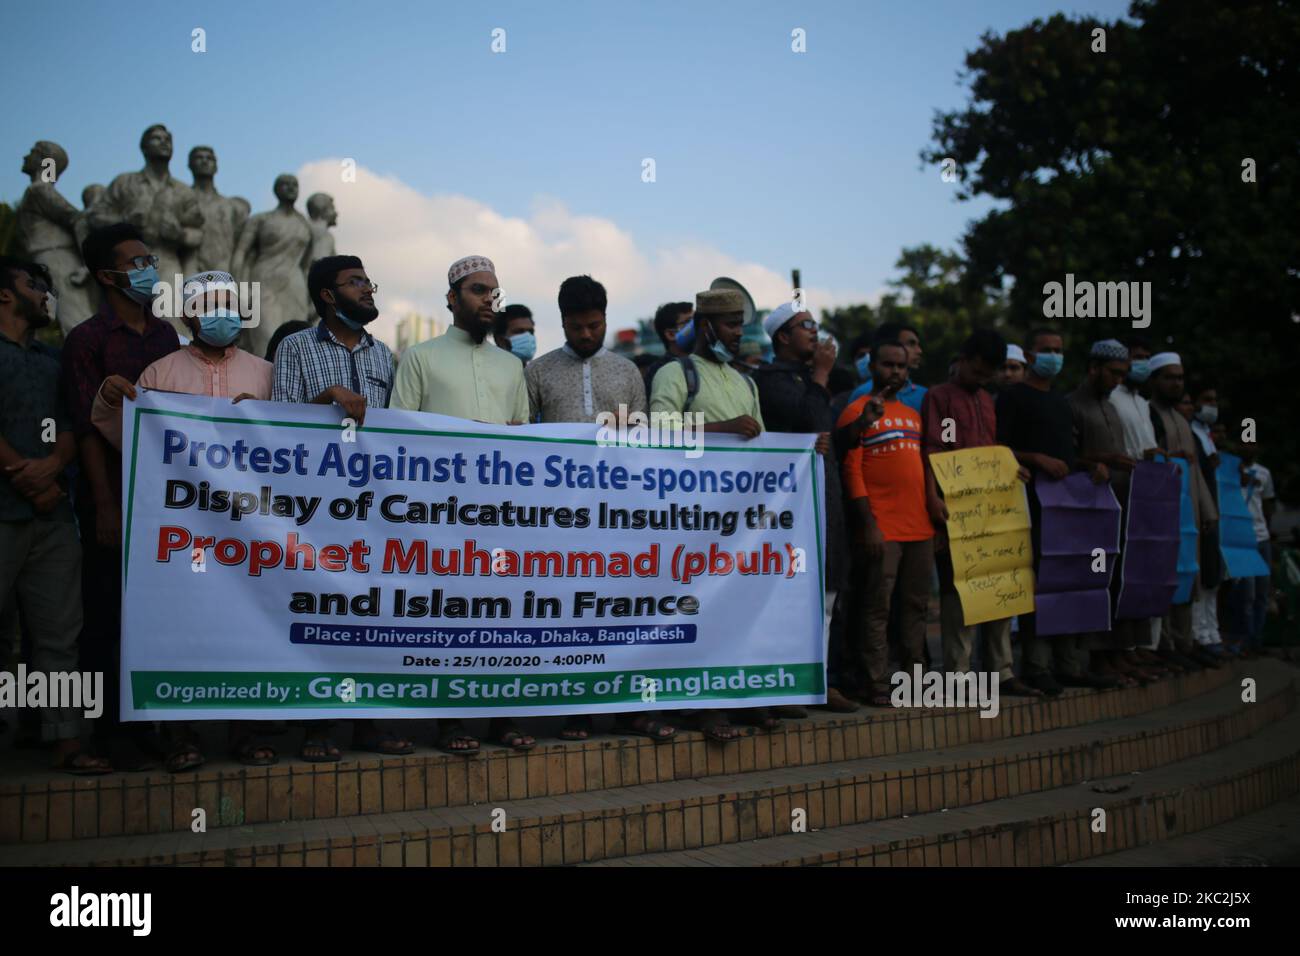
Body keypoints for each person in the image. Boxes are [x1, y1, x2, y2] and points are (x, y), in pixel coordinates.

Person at [91, 271, 278, 769]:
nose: (225, 314)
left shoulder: (267, 374)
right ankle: (181, 734)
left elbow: (294, 453)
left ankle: (248, 730)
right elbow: (127, 437)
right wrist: (110, 399)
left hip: (252, 529)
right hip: (184, 532)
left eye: (232, 303)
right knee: (180, 623)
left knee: (252, 623)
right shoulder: (159, 374)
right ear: (188, 315)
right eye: (211, 304)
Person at [524, 275, 675, 744]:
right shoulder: (538, 371)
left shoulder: (628, 372)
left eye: (593, 325)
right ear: (561, 322)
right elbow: (523, 446)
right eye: (575, 327)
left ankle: (630, 711)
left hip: (620, 518)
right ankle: (577, 712)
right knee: (572, 612)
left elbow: (645, 445)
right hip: (561, 522)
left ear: (606, 319)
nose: (585, 335)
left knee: (622, 610)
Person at [272, 254, 411, 762]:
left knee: (371, 607)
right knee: (318, 605)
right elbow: (275, 429)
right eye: (356, 283)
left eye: (368, 280)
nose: (369, 289)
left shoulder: (385, 355)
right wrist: (324, 400)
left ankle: (370, 722)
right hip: (315, 506)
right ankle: (318, 725)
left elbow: (398, 431)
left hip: (373, 507)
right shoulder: (295, 348)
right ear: (328, 296)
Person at [391, 255, 531, 754]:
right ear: (452, 299)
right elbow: (398, 439)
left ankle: (503, 719)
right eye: (477, 290)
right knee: (446, 615)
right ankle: (449, 721)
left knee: (503, 615)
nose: (488, 298)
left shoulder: (512, 365)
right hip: (438, 519)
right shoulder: (420, 357)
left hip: (502, 517)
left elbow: (521, 441)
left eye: (493, 290)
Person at [63, 223, 181, 769]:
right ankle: (106, 732)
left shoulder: (166, 337)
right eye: (136, 262)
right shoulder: (86, 339)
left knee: (152, 615)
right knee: (105, 616)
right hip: (110, 496)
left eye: (149, 259)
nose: (148, 269)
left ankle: (146, 727)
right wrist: (105, 504)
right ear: (106, 275)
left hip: (158, 499)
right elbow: (87, 428)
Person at [0, 256, 109, 773]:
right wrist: (22, 471)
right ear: (4, 295)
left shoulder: (50, 360)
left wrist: (50, 469)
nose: (45, 293)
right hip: (8, 509)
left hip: (51, 518)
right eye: (32, 285)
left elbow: (71, 426)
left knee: (59, 633)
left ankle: (66, 738)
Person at [649, 288, 766, 742]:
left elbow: (762, 449)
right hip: (685, 523)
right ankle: (699, 709)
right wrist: (721, 429)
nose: (740, 333)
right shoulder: (676, 374)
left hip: (735, 525)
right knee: (693, 609)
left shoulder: (746, 382)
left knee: (732, 607)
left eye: (742, 323)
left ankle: (734, 699)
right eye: (732, 324)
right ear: (706, 326)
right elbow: (656, 430)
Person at [996, 328, 1119, 694]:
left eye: (1059, 350)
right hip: (1030, 505)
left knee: (1070, 580)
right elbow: (998, 449)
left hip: (1068, 507)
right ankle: (1037, 666)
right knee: (1040, 584)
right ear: (1030, 356)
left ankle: (1069, 665)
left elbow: (1066, 457)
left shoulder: (1061, 403)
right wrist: (1036, 459)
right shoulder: (1012, 397)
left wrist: (1089, 466)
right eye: (1046, 350)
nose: (1054, 356)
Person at [922, 328, 1041, 697]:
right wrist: (933, 498)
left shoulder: (988, 400)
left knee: (1001, 583)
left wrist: (1011, 470)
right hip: (956, 509)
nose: (984, 378)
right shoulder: (940, 398)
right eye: (979, 371)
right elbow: (935, 450)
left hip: (992, 511)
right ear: (963, 360)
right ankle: (958, 674)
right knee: (960, 592)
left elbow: (991, 451)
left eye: (990, 373)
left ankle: (1001, 671)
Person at [752, 303, 858, 713]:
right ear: (782, 336)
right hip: (790, 509)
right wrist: (820, 377)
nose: (816, 332)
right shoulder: (771, 379)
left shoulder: (805, 378)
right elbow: (809, 421)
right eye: (806, 326)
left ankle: (819, 681)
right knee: (790, 596)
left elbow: (825, 435)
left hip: (823, 499)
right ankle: (788, 684)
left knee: (827, 598)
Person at [836, 340, 938, 706]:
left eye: (902, 367)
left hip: (919, 527)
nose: (895, 372)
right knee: (876, 606)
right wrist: (868, 525)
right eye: (888, 365)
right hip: (882, 527)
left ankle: (915, 678)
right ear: (872, 367)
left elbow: (923, 466)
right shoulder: (856, 411)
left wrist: (933, 503)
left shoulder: (913, 416)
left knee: (915, 607)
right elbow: (851, 471)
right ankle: (875, 681)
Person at [1067, 340, 1164, 687]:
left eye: (1123, 374)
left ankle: (1120, 652)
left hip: (1122, 505)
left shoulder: (1111, 406)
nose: (1118, 380)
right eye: (1113, 373)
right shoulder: (1073, 405)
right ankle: (1098, 658)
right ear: (1094, 368)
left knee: (1123, 578)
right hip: (1089, 509)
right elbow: (1068, 457)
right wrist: (1104, 461)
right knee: (1099, 579)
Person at [1148, 354, 1221, 670]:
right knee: (1165, 577)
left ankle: (1185, 641)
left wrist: (1207, 512)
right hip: (1163, 513)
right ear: (1155, 380)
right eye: (1169, 377)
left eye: (1179, 377)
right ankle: (1165, 644)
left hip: (1188, 513)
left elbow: (1196, 473)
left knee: (1188, 576)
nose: (1176, 383)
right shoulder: (1150, 415)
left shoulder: (1181, 420)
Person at [1230, 441, 1275, 654]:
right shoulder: (1230, 470)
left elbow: (1267, 505)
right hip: (1241, 539)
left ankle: (1257, 640)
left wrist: (1267, 531)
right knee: (1246, 593)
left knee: (1262, 594)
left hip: (1262, 538)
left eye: (1253, 445)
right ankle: (1243, 638)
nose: (1249, 449)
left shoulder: (1264, 473)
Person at [846, 322, 927, 412]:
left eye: (900, 366)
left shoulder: (925, 395)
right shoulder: (862, 393)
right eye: (911, 344)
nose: (919, 351)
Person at [640, 301, 694, 393]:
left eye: (696, 319)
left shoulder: (708, 361)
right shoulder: (659, 372)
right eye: (688, 322)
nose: (696, 324)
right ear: (671, 334)